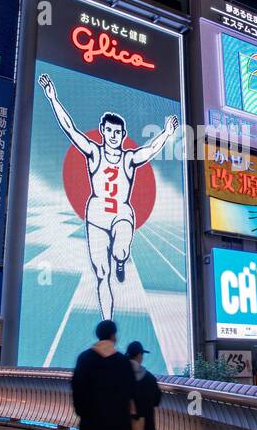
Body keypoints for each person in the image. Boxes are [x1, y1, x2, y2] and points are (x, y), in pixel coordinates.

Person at [38, 73, 179, 320]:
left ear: (123, 135)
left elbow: (150, 150)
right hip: (96, 215)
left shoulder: (128, 158)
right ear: (103, 131)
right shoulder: (94, 152)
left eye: (118, 132)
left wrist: (167, 133)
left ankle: (121, 258)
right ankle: (107, 323)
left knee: (120, 251)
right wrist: (53, 98)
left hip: (122, 213)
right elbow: (70, 129)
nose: (114, 135)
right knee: (102, 273)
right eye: (110, 130)